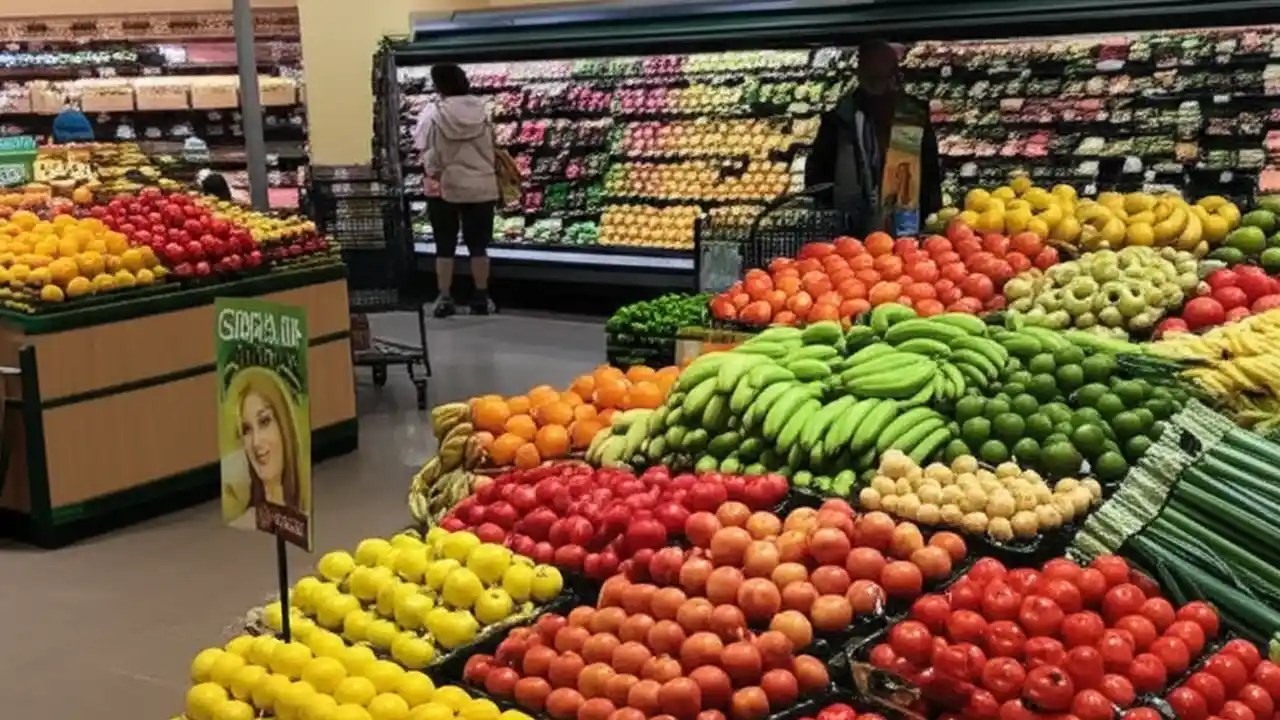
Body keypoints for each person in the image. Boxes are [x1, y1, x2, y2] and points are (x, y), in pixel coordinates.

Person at [806, 39, 941, 238]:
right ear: (860, 76)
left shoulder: (914, 118)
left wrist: (931, 220)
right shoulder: (839, 120)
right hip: (852, 234)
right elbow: (816, 178)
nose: (879, 88)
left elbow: (930, 177)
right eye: (873, 78)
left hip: (908, 230)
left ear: (894, 76)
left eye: (882, 78)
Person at [414, 63, 498, 318]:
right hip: (482, 184)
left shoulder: (434, 114)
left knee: (445, 245)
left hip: (447, 186)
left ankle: (445, 297)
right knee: (479, 246)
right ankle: (481, 296)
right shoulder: (484, 111)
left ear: (439, 86)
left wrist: (432, 173)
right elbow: (494, 145)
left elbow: (429, 152)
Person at [236, 374, 303, 532]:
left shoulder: (302, 515)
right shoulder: (246, 522)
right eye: (246, 430)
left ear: (284, 424)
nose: (256, 442)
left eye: (264, 421)